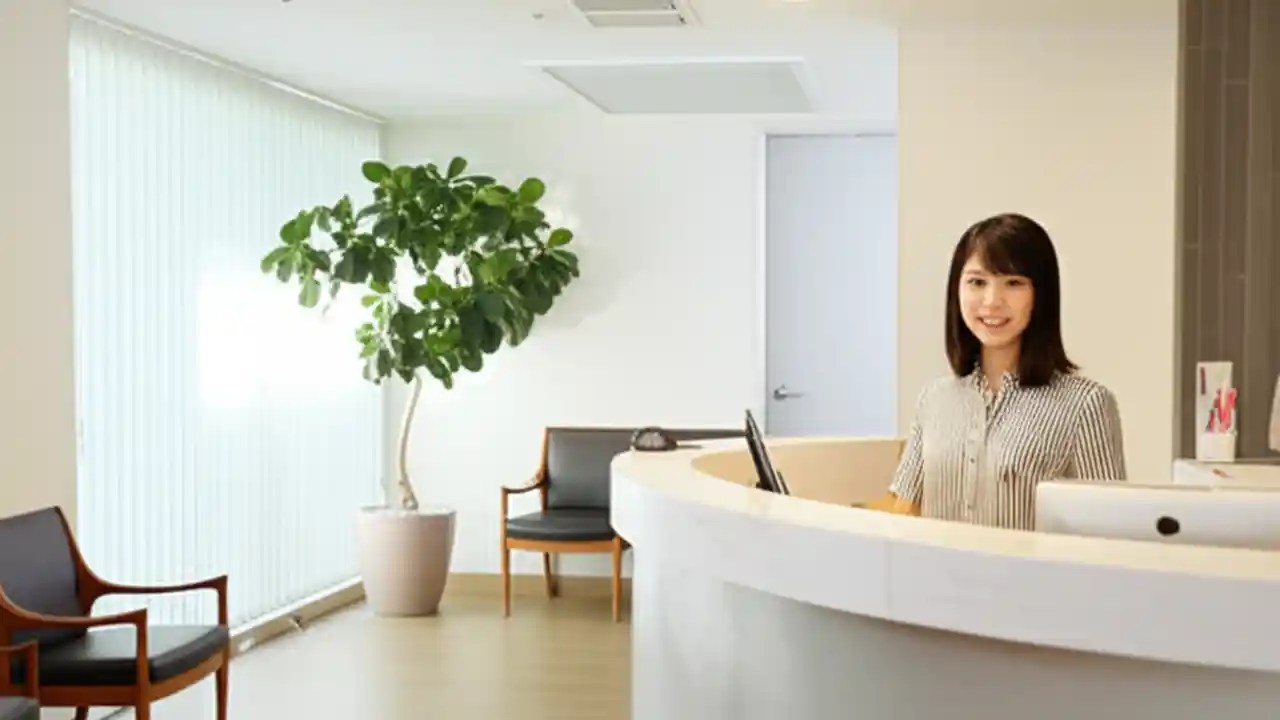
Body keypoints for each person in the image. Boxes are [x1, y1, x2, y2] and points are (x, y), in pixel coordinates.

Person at [883, 212, 1126, 529]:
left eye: (1013, 283)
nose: (992, 301)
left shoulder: (1086, 404)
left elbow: (1108, 533)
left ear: (1041, 295)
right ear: (957, 291)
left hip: (1030, 579)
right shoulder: (934, 399)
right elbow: (902, 514)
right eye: (977, 282)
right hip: (934, 577)